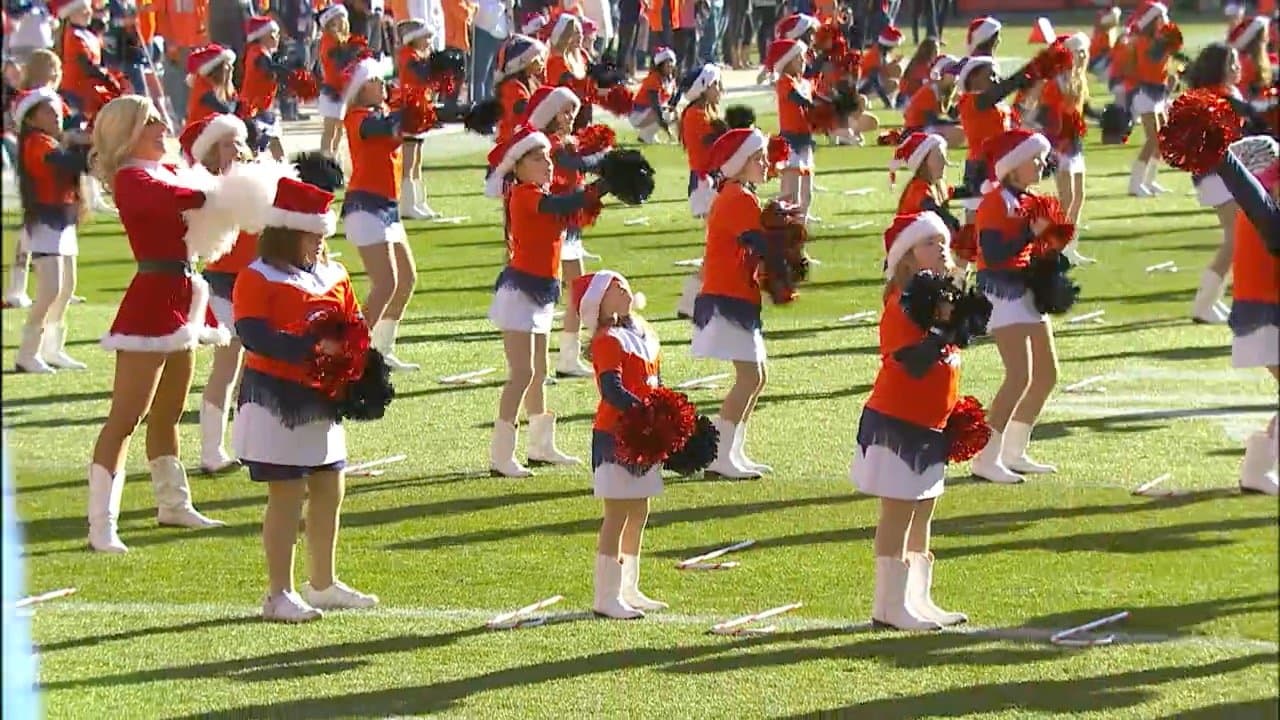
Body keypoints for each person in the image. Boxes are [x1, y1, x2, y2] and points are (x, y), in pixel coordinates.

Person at [85, 95, 260, 552]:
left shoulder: (164, 170)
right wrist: (229, 187)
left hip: (185, 293)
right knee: (126, 416)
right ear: (128, 133)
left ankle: (173, 503)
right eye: (152, 122)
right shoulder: (132, 178)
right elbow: (184, 197)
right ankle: (101, 523)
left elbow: (198, 196)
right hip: (152, 297)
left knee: (167, 413)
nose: (164, 126)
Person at [232, 175, 380, 622]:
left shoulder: (335, 273)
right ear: (286, 232)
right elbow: (253, 335)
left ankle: (322, 584)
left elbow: (354, 324)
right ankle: (278, 593)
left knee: (330, 486)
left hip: (323, 397)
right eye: (311, 235)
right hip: (276, 398)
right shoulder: (257, 276)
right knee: (287, 492)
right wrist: (313, 348)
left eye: (322, 235)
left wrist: (358, 365)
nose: (319, 242)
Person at [851, 211, 969, 631]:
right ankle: (888, 606)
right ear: (905, 257)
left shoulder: (942, 298)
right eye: (929, 243)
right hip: (899, 423)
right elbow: (910, 362)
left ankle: (918, 599)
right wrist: (946, 330)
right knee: (898, 513)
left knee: (923, 512)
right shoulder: (901, 302)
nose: (940, 249)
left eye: (942, 242)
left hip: (931, 423)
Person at [485, 125, 612, 477]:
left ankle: (540, 445)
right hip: (519, 294)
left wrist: (599, 189)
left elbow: (573, 208)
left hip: (540, 291)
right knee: (522, 373)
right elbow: (566, 203)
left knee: (539, 371)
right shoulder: (525, 195)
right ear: (518, 166)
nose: (548, 163)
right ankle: (501, 455)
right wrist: (602, 185)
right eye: (538, 157)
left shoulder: (540, 191)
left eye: (548, 157)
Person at [574, 270, 668, 619]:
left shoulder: (642, 333)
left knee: (639, 509)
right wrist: (645, 413)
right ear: (600, 305)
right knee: (616, 514)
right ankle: (606, 595)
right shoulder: (607, 340)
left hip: (644, 432)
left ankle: (629, 587)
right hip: (616, 433)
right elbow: (611, 390)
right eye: (615, 287)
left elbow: (655, 381)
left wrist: (664, 416)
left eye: (624, 283)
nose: (624, 286)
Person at [969, 129, 1061, 485]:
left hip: (1024, 288)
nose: (1042, 164)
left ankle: (1014, 451)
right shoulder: (995, 202)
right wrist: (1031, 233)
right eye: (1034, 159)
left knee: (1047, 373)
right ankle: (985, 458)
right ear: (1012, 166)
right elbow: (992, 253)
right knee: (1018, 375)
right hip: (1001, 290)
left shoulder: (1026, 199)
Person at [692, 128, 772, 479]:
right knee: (749, 376)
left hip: (735, 293)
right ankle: (719, 454)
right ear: (740, 164)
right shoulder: (739, 197)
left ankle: (733, 451)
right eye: (759, 158)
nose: (766, 163)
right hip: (729, 296)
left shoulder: (737, 193)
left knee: (757, 377)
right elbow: (760, 243)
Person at [179, 113, 255, 475]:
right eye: (227, 143)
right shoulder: (205, 187)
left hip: (258, 282)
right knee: (228, 365)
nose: (237, 150)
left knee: (250, 368)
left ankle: (247, 442)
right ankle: (211, 451)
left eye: (239, 141)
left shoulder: (256, 179)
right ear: (210, 151)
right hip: (223, 283)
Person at [341, 57, 420, 372]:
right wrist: (408, 109)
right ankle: (351, 355)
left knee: (406, 280)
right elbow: (383, 128)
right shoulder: (358, 118)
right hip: (365, 205)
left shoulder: (382, 114)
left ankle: (381, 349)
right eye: (376, 81)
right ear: (360, 88)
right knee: (385, 283)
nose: (383, 86)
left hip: (389, 208)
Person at [518, 86, 599, 378]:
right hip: (552, 222)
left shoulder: (567, 142)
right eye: (565, 112)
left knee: (577, 290)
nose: (569, 117)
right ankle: (537, 364)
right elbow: (576, 165)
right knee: (551, 294)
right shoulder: (547, 145)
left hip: (569, 224)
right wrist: (606, 165)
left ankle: (568, 357)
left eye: (572, 113)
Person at [12, 87, 91, 374]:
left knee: (66, 288)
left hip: (63, 217)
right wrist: (88, 146)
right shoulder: (37, 142)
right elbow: (67, 163)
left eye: (57, 110)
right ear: (31, 119)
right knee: (50, 290)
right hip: (46, 220)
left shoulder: (51, 140)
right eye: (48, 111)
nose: (56, 115)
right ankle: (26, 353)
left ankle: (53, 348)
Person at [1219, 137, 1279, 494]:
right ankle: (1258, 470)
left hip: (1261, 314)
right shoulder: (1262, 215)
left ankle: (1258, 469)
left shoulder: (1258, 210)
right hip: (1264, 315)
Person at [1184, 43, 1257, 324]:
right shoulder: (1219, 96)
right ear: (1220, 69)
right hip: (1216, 174)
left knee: (1236, 238)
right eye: (1232, 64)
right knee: (1235, 239)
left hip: (1219, 172)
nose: (1238, 68)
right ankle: (1204, 304)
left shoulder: (1219, 94)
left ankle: (1211, 300)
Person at [6, 49, 64, 311]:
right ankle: (16, 288)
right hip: (34, 167)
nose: (56, 74)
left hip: (43, 167)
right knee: (28, 232)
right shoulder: (30, 100)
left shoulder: (46, 98)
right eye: (52, 69)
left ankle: (48, 287)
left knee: (36, 237)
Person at [1038, 33, 1093, 266]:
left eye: (1084, 51)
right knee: (1066, 198)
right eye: (1076, 51)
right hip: (1059, 144)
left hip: (1075, 143)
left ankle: (1070, 246)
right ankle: (1053, 247)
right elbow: (1045, 116)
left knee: (1079, 196)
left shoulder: (1079, 79)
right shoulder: (1055, 83)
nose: (1081, 55)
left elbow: (1084, 109)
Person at [1126, 0, 1176, 197]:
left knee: (1162, 139)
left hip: (1158, 93)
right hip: (1144, 93)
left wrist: (1172, 77)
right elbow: (1151, 63)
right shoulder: (1145, 42)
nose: (1166, 20)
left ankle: (1150, 181)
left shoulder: (1159, 40)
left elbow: (1165, 66)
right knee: (1153, 140)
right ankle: (1135, 184)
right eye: (1162, 17)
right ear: (1153, 20)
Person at [395, 19, 439, 219]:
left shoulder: (420, 56)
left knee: (418, 159)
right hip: (410, 109)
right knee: (410, 159)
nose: (430, 41)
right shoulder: (408, 56)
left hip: (422, 108)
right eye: (426, 37)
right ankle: (407, 203)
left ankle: (420, 201)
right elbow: (421, 75)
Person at [768, 38, 815, 220]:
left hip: (805, 140)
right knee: (791, 193)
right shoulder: (784, 82)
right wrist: (817, 105)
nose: (804, 61)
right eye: (799, 57)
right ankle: (782, 224)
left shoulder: (804, 82)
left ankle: (800, 224)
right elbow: (799, 100)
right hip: (790, 142)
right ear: (786, 61)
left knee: (807, 193)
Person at [240, 16, 288, 161]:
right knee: (254, 150)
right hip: (252, 110)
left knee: (275, 142)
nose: (278, 37)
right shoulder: (257, 52)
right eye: (274, 33)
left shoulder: (264, 53)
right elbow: (266, 67)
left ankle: (285, 173)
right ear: (262, 36)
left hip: (263, 108)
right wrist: (289, 71)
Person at [493, 34, 547, 145]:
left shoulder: (533, 81)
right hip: (510, 141)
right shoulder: (512, 86)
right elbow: (524, 109)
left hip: (525, 138)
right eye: (537, 57)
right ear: (522, 62)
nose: (542, 61)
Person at [318, 4, 355, 158]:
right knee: (330, 129)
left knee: (339, 128)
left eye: (342, 18)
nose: (341, 22)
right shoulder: (328, 40)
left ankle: (334, 157)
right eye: (336, 19)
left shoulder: (344, 40)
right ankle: (325, 159)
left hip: (343, 90)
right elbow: (337, 61)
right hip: (332, 90)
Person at [900, 54, 962, 147]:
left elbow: (953, 114)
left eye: (957, 73)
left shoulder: (941, 90)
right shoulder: (930, 90)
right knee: (959, 131)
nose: (956, 76)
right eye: (953, 73)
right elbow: (932, 121)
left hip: (925, 129)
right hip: (915, 131)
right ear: (941, 74)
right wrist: (959, 122)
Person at [545, 12, 592, 130]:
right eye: (575, 33)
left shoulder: (583, 56)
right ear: (564, 36)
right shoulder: (556, 61)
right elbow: (556, 95)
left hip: (584, 114)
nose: (580, 36)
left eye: (580, 33)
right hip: (565, 117)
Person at [628, 46, 676, 143]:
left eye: (671, 62)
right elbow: (656, 105)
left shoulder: (670, 80)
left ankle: (648, 134)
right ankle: (646, 135)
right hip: (638, 114)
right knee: (665, 114)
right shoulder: (653, 79)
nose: (670, 65)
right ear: (660, 65)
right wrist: (667, 129)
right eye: (667, 63)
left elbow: (672, 102)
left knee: (673, 112)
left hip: (648, 112)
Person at [185, 43, 239, 124]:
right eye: (227, 65)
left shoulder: (219, 87)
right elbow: (227, 111)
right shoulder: (203, 87)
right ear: (217, 70)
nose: (231, 68)